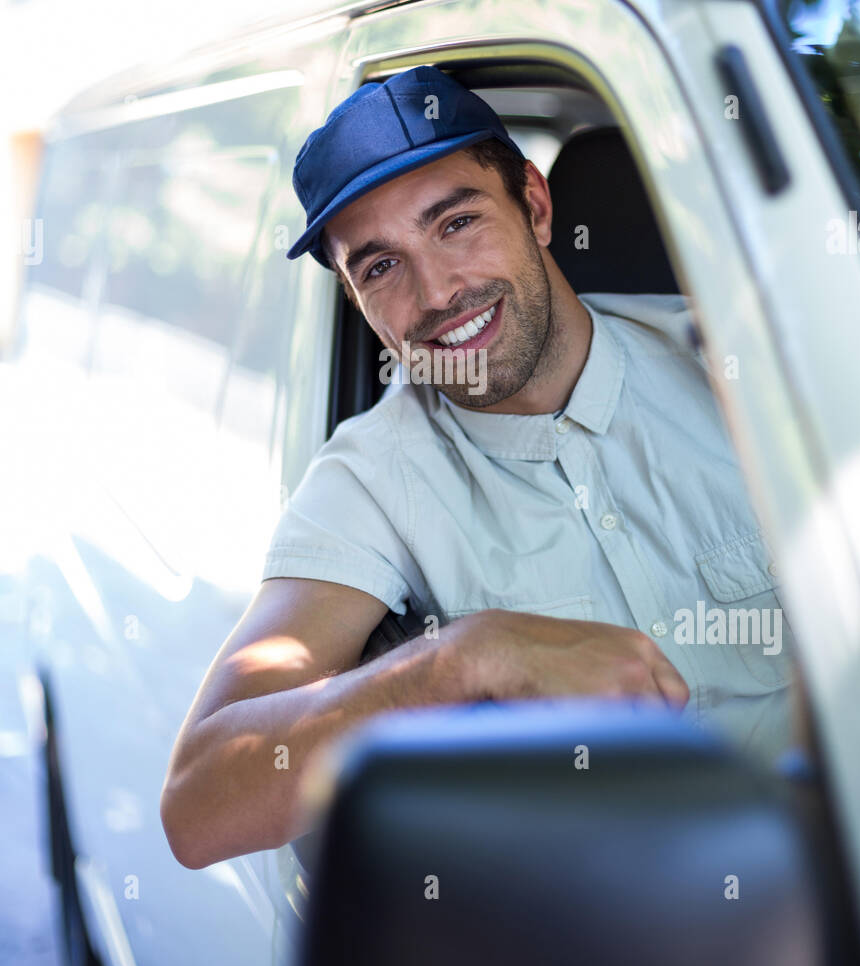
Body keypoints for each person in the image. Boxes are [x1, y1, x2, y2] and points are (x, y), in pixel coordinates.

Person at [161, 65, 799, 870]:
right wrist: (459, 660)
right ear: (356, 299)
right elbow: (197, 802)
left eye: (457, 223)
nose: (438, 293)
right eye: (381, 267)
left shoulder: (747, 368)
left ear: (534, 205)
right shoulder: (371, 480)